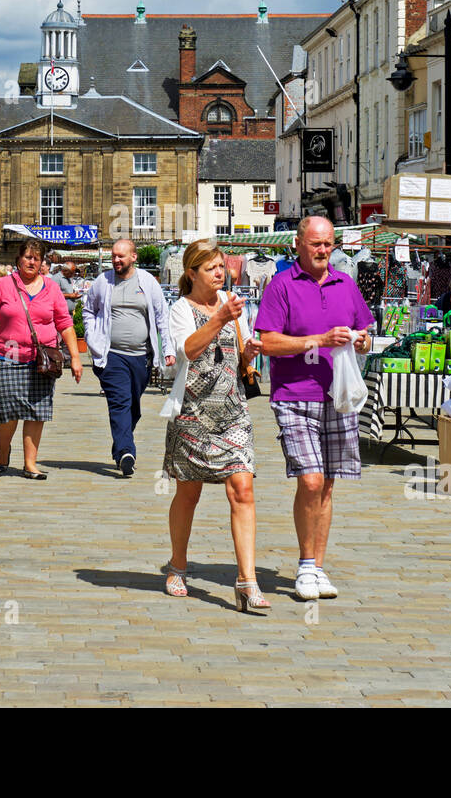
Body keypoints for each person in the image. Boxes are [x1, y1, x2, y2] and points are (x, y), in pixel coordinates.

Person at [255, 216, 375, 602]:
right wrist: (319, 340)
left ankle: (317, 567)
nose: (323, 251)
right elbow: (268, 343)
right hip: (294, 393)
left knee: (327, 483)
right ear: (298, 244)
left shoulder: (346, 283)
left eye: (328, 244)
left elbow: (366, 334)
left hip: (337, 395)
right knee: (309, 479)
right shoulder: (281, 285)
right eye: (315, 244)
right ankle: (307, 565)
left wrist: (361, 343)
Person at [161, 240, 266, 610]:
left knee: (242, 488)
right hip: (193, 411)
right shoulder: (180, 308)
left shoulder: (230, 304)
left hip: (233, 411)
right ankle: (177, 565)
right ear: (192, 274)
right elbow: (187, 350)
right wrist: (221, 319)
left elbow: (240, 346)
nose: (220, 273)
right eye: (211, 268)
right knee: (188, 495)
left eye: (222, 266)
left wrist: (250, 349)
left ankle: (247, 580)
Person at [82, 238, 175, 476]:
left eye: (121, 256)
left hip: (141, 357)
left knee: (133, 407)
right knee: (120, 401)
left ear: (133, 257)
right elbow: (88, 309)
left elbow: (162, 316)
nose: (116, 260)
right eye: (113, 256)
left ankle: (119, 448)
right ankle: (126, 451)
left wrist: (168, 350)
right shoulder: (103, 281)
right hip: (111, 355)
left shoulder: (147, 282)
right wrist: (92, 340)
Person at [0, 239, 82, 479]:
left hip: (43, 359)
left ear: (42, 263)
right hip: (6, 355)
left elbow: (64, 323)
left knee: (36, 410)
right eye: (28, 257)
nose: (32, 261)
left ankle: (30, 463)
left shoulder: (51, 288)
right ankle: (3, 451)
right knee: (8, 409)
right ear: (18, 259)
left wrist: (75, 357)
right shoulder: (1, 286)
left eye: (36, 258)